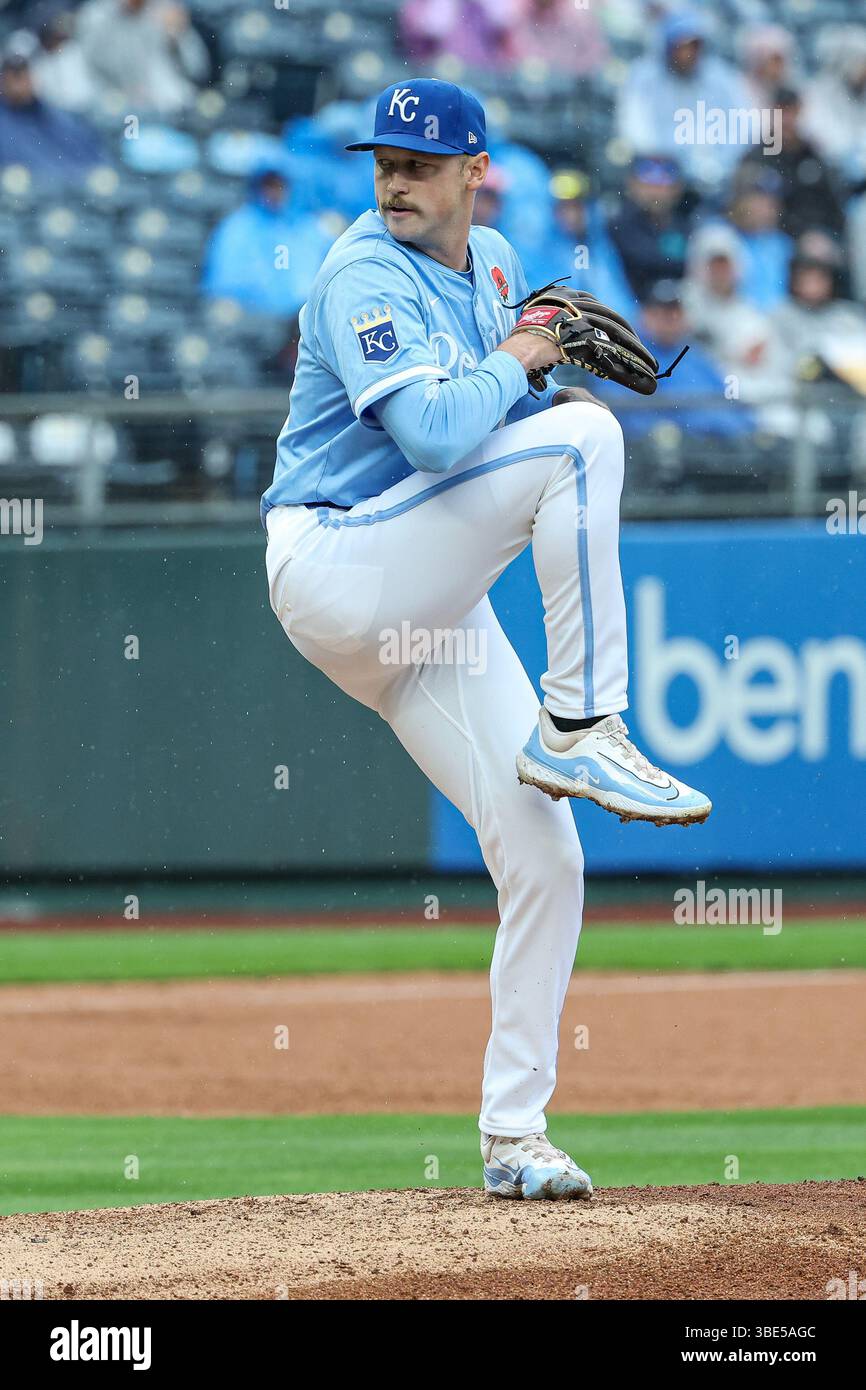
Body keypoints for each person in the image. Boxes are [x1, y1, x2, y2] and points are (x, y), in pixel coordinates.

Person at [260, 80, 712, 1202]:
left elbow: (492, 428)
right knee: (579, 443)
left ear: (474, 172)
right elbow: (432, 434)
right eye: (383, 161)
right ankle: (584, 722)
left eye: (419, 162)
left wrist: (526, 359)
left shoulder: (500, 262)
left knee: (548, 857)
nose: (394, 179)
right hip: (335, 562)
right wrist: (524, 359)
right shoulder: (361, 269)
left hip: (427, 605)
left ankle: (516, 1136)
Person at [616, 10, 751, 187]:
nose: (687, 53)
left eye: (693, 46)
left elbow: (742, 124)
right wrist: (673, 161)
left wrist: (721, 164)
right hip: (662, 170)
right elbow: (635, 128)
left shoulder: (720, 76)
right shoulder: (644, 76)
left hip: (717, 172)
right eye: (681, 47)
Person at [202, 159, 335, 318]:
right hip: (254, 319)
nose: (275, 192)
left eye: (280, 185)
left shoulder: (307, 226)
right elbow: (225, 284)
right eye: (269, 186)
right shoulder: (237, 227)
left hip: (305, 319)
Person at [0, 30, 104, 184]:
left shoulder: (59, 118)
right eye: (13, 74)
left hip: (72, 194)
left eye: (23, 72)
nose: (18, 82)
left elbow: (93, 160)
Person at [76, 0, 209, 116]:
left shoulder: (165, 11)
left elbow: (198, 69)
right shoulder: (97, 17)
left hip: (173, 109)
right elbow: (91, 70)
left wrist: (178, 36)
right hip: (121, 109)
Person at [607, 155, 692, 302]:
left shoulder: (688, 226)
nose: (655, 193)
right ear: (632, 185)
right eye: (648, 185)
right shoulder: (615, 228)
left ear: (677, 188)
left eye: (662, 186)